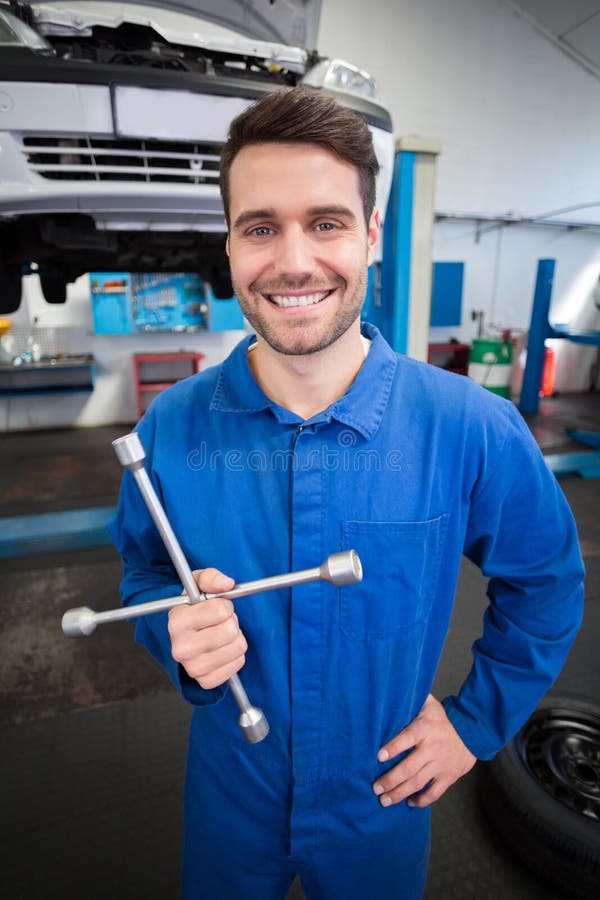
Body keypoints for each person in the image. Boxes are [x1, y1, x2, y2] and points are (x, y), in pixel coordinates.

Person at [108, 86, 585, 899]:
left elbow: (546, 585)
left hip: (382, 796)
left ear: (370, 237)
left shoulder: (470, 427)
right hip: (231, 789)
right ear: (229, 246)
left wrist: (473, 725)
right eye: (261, 227)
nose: (293, 261)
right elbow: (145, 573)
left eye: (326, 223)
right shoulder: (171, 430)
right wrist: (174, 631)